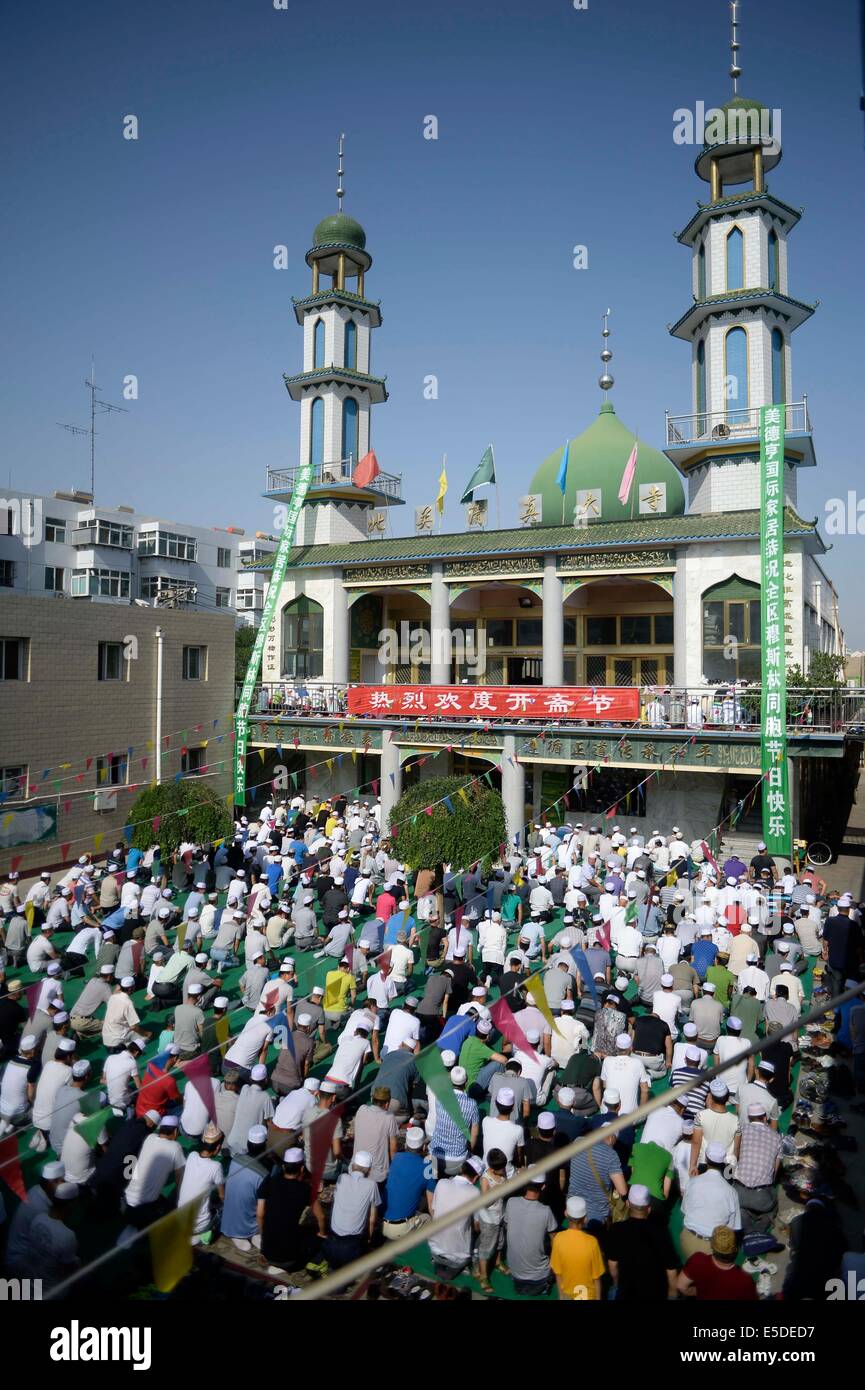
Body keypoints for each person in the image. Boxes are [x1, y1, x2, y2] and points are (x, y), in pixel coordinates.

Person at [605, 1183, 679, 1300]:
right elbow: (671, 1268)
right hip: (653, 1293)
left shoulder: (617, 1229)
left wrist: (616, 1283)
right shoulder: (661, 1232)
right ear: (649, 1209)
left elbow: (612, 1265)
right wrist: (672, 1292)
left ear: (628, 1204)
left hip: (626, 1292)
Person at [257, 1146, 325, 1271]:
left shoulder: (270, 1182)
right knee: (315, 1235)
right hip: (289, 1261)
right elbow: (321, 1217)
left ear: (283, 1167)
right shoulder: (305, 1190)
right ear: (302, 1168)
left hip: (266, 1252)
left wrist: (265, 1237)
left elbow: (260, 1215)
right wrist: (322, 1234)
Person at [680, 1143, 742, 1259]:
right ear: (723, 1162)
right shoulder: (731, 1192)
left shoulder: (693, 1182)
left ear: (706, 1159)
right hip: (713, 1247)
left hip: (687, 1239)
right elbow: (733, 1227)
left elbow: (685, 1210)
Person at [428, 1155, 484, 1279]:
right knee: (484, 1232)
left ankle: (440, 1267)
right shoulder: (474, 1192)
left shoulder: (442, 1183)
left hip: (434, 1248)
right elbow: (477, 1226)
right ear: (476, 1178)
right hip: (458, 1258)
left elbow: (434, 1209)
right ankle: (466, 1265)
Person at [324, 1150, 381, 1268]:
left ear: (353, 1165)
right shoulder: (371, 1185)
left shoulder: (342, 1177)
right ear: (369, 1169)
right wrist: (369, 1240)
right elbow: (372, 1219)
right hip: (352, 1245)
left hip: (331, 1241)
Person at [732, 1104, 783, 1234]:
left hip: (739, 1193)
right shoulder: (777, 1137)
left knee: (740, 1207)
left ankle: (746, 1224)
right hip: (761, 1198)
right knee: (773, 1203)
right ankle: (762, 1225)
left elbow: (733, 1158)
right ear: (765, 1118)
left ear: (749, 1118)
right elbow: (774, 1174)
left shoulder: (741, 1130)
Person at [504, 1175, 558, 1296]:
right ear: (543, 1187)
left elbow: (508, 1226)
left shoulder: (511, 1202)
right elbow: (555, 1240)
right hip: (539, 1277)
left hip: (515, 1272)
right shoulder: (546, 1211)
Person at [382, 1125, 436, 1239]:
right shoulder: (428, 1167)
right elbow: (431, 1203)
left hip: (384, 1223)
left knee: (419, 1201)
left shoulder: (396, 1158)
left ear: (406, 1144)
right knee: (428, 1218)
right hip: (402, 1228)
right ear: (424, 1146)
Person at [677, 1224, 758, 1300]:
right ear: (736, 1249)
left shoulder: (697, 1260)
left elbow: (681, 1286)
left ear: (712, 1246)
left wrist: (697, 1291)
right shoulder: (744, 1280)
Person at [550, 1194, 605, 1301]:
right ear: (585, 1219)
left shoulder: (558, 1239)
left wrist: (561, 1296)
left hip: (567, 1294)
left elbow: (558, 1272)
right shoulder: (592, 1242)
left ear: (566, 1214)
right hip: (587, 1295)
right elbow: (596, 1278)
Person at [352, 1086, 400, 1187]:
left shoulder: (361, 1109)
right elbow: (393, 1147)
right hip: (377, 1175)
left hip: (355, 1169)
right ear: (387, 1104)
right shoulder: (389, 1118)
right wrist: (394, 1169)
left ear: (372, 1099)